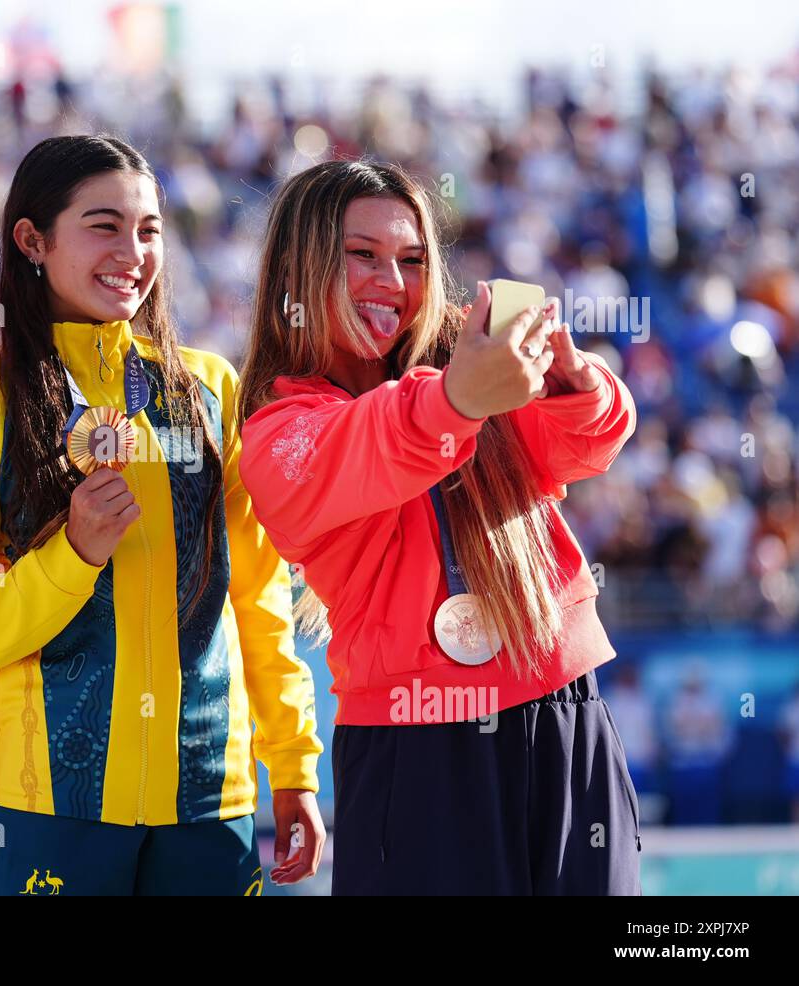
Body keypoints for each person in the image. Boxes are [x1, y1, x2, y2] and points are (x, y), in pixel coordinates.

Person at [0, 134, 325, 895]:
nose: (133, 252)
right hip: (52, 809)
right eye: (104, 226)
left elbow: (260, 598)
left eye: (150, 230)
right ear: (32, 241)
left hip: (211, 799)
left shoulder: (209, 394)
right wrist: (73, 553)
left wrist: (294, 765)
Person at [237, 159, 641, 895]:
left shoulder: (476, 361)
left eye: (413, 260)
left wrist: (573, 382)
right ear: (299, 267)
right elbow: (379, 440)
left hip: (564, 714)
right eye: (362, 255)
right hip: (412, 749)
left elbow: (586, 446)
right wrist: (458, 396)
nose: (392, 281)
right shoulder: (277, 430)